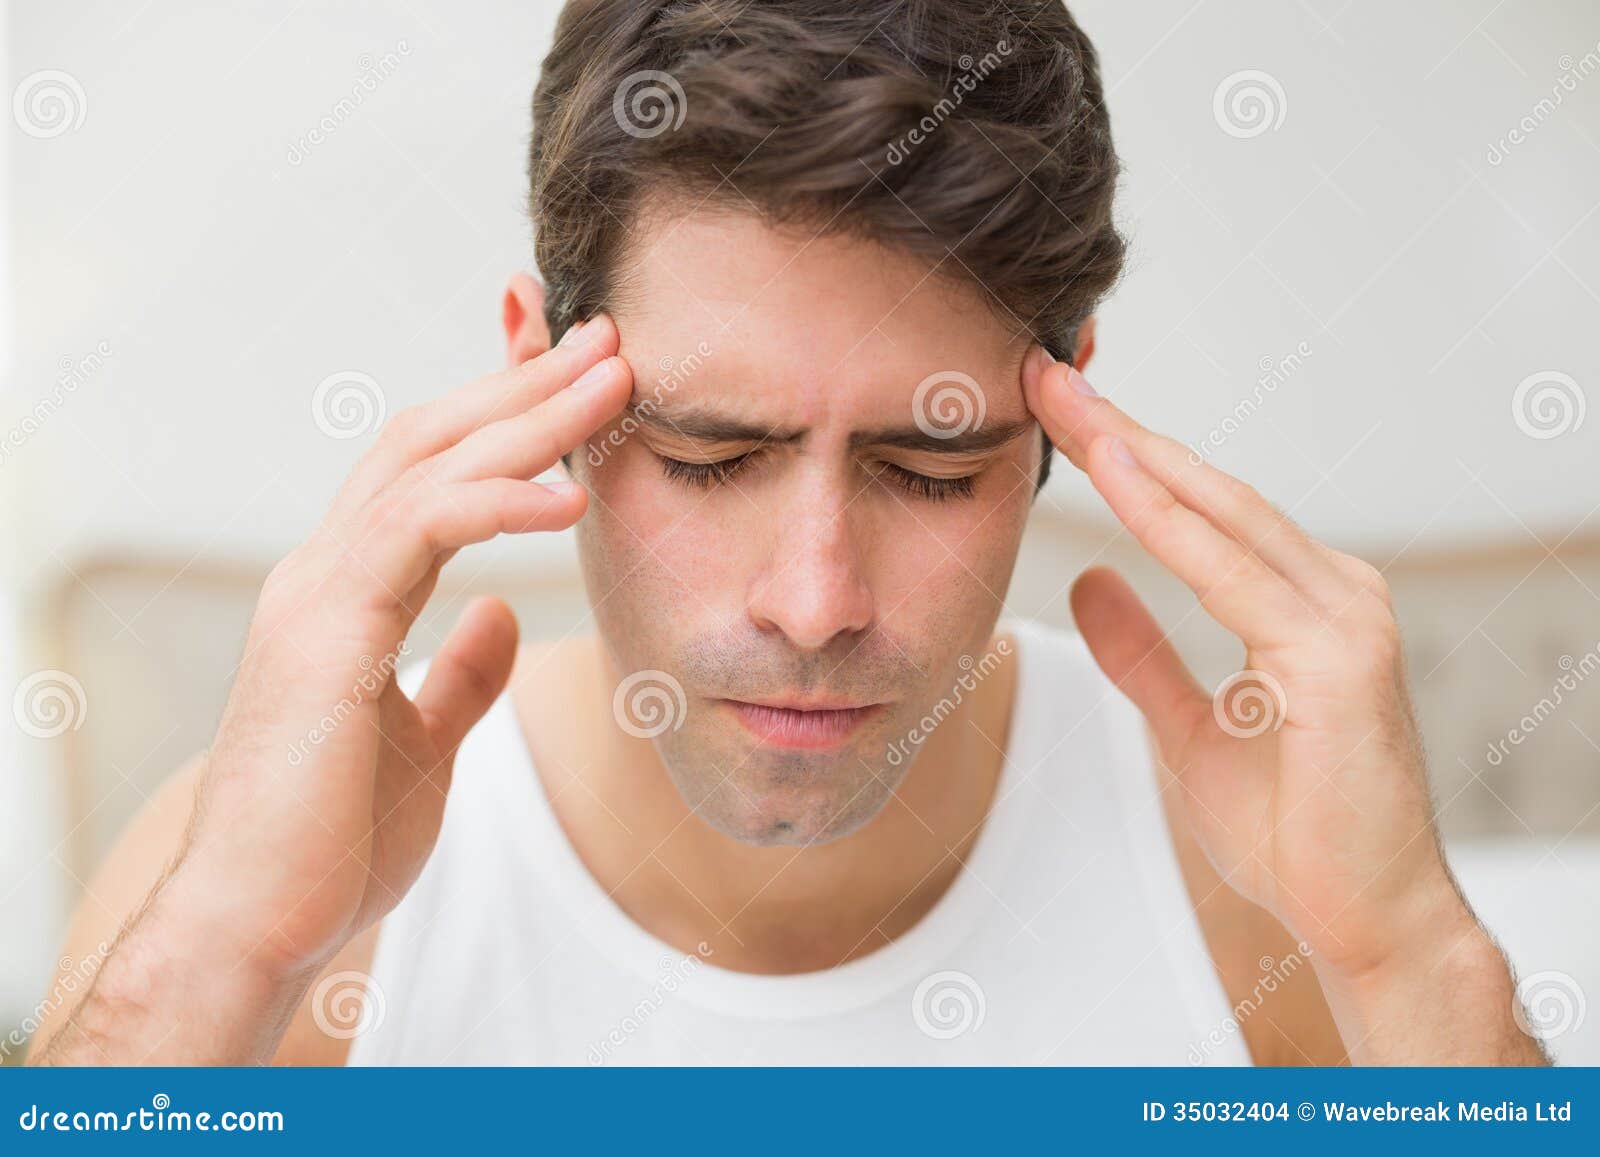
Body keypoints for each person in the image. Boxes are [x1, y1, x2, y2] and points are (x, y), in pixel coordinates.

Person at [31, 0, 1544, 1066]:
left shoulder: (1259, 906)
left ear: (1065, 413)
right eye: (707, 455)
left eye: (931, 466)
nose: (816, 600)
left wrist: (1405, 960)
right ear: (535, 385)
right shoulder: (264, 902)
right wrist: (221, 954)